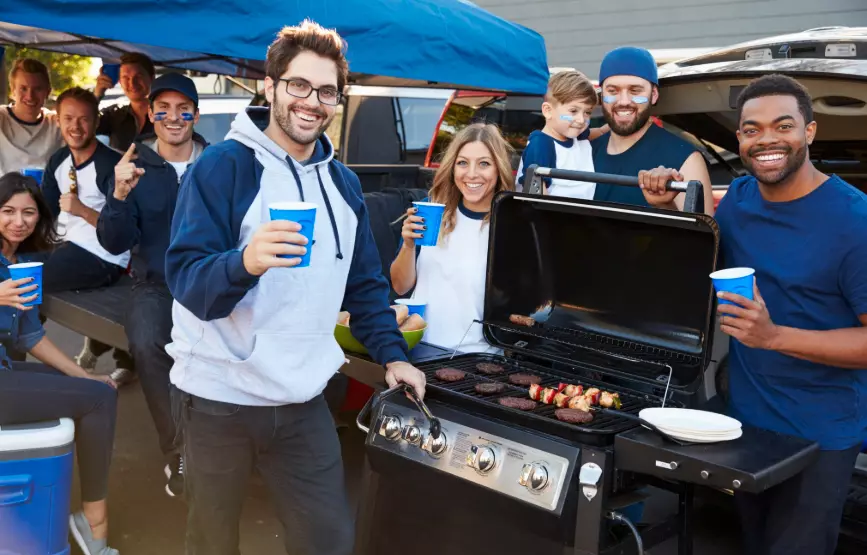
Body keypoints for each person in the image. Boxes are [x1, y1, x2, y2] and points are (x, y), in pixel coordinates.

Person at [164, 20, 426, 554]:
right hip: (219, 399)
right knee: (211, 543)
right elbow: (189, 284)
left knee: (327, 541)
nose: (312, 101)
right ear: (271, 86)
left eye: (326, 91)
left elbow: (366, 285)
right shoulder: (222, 167)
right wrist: (246, 262)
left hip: (304, 400)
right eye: (298, 85)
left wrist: (392, 355)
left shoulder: (344, 183)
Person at [638, 74, 867, 555]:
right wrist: (668, 205)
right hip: (745, 424)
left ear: (809, 131)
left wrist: (775, 336)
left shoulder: (855, 220)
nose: (766, 139)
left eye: (783, 125)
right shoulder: (739, 200)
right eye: (751, 129)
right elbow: (702, 256)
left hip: (819, 436)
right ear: (739, 137)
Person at [97, 72, 208, 498]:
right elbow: (114, 241)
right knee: (146, 343)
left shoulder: (218, 162)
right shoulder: (133, 166)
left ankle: (228, 444)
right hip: (154, 284)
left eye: (184, 109)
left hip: (209, 281)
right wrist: (120, 194)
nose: (174, 117)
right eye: (164, 109)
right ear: (151, 113)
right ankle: (178, 450)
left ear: (196, 114)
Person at [0, 172, 120, 555]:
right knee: (99, 402)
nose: (19, 222)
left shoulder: (17, 262)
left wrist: (84, 374)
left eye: (29, 213)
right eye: (7, 211)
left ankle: (89, 520)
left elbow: (29, 336)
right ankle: (94, 525)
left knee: (98, 391)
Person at [391, 123, 514, 353]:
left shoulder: (510, 225)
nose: (472, 174)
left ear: (499, 169)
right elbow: (400, 287)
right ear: (452, 168)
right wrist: (408, 245)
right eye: (462, 163)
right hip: (420, 348)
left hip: (478, 357)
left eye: (484, 164)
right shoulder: (431, 212)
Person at [40, 88, 134, 379]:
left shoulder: (110, 166)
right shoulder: (58, 160)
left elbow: (122, 232)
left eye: (84, 119)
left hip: (102, 256)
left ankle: (20, 355)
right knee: (15, 267)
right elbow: (45, 214)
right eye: (68, 118)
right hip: (64, 246)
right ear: (58, 120)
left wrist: (81, 209)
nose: (75, 127)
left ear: (95, 123)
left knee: (26, 282)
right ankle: (14, 353)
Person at [591, 46, 714, 215]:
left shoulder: (685, 159)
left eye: (635, 91)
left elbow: (702, 238)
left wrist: (665, 205)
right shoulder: (585, 150)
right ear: (602, 94)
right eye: (613, 91)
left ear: (654, 95)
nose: (624, 101)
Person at [516, 70, 606, 198]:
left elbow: (600, 131)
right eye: (573, 111)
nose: (581, 120)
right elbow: (536, 192)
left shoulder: (575, 135)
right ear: (548, 111)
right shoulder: (541, 145)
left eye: (587, 112)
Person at [0, 58, 64, 176]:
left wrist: (97, 94)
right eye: (23, 88)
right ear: (13, 91)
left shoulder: (56, 123)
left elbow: (83, 121)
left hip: (43, 193)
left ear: (47, 92)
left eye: (38, 89)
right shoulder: (2, 117)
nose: (30, 96)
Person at [93, 52, 155, 151]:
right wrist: (97, 95)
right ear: (120, 82)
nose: (132, 83)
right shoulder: (113, 117)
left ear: (152, 78)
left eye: (138, 76)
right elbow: (85, 129)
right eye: (126, 78)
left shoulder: (165, 116)